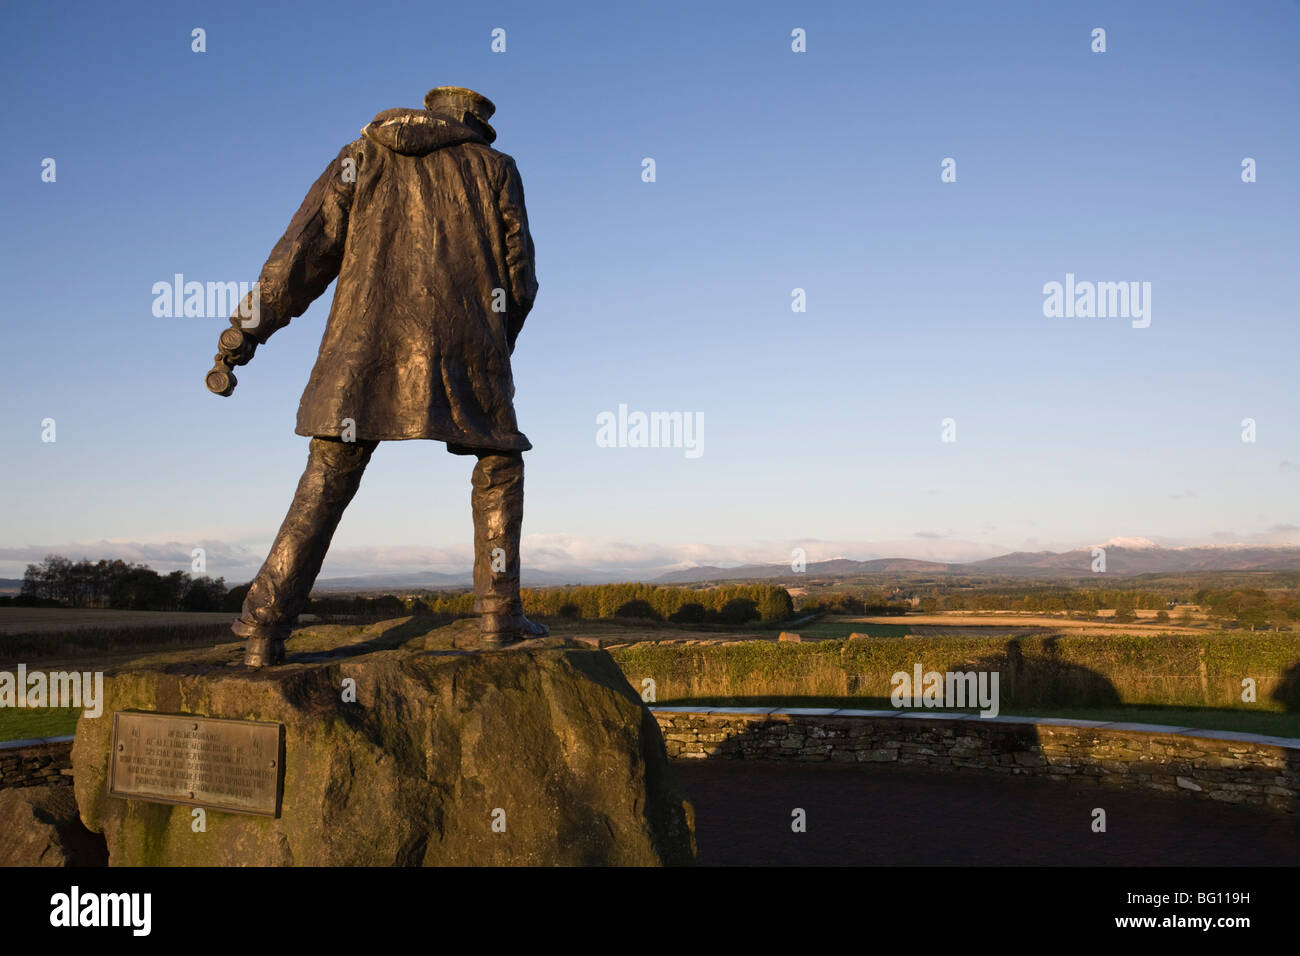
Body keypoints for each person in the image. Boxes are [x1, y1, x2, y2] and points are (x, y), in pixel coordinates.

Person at [207, 86, 548, 667]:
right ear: (472, 121)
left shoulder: (361, 155)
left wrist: (242, 336)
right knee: (498, 465)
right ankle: (497, 615)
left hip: (362, 351)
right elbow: (519, 280)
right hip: (467, 348)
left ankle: (264, 627)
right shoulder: (496, 169)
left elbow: (298, 256)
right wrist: (495, 347)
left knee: (327, 477)